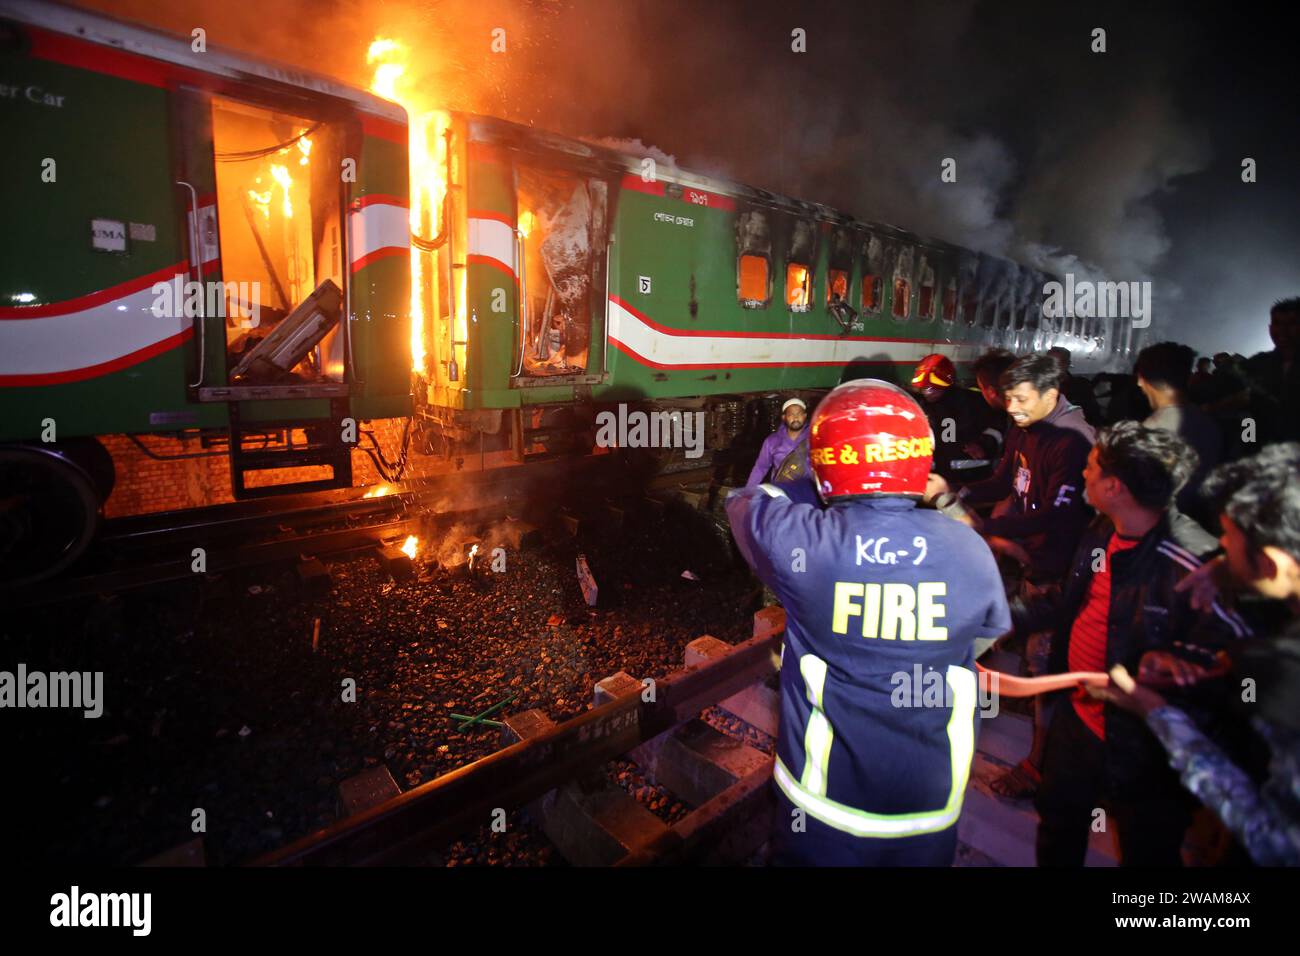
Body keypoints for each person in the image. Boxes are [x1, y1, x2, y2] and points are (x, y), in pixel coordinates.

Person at [726, 380, 1011, 865]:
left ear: (827, 464)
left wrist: (817, 483)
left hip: (823, 811)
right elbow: (985, 637)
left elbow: (745, 503)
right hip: (930, 813)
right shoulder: (969, 549)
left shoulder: (811, 546)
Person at [1010, 422, 1248, 865]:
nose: (1082, 474)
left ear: (1114, 486)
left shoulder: (1194, 565)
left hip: (1145, 746)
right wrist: (999, 619)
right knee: (1059, 821)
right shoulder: (1103, 527)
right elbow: (1069, 599)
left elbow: (1232, 677)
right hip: (1079, 716)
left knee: (1146, 849)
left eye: (1091, 467)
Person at [1096, 443, 1300, 866]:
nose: (1218, 545)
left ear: (1273, 564)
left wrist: (1158, 715)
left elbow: (1275, 841)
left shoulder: (1286, 680)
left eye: (1227, 536)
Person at [926, 354, 1096, 798]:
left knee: (1046, 667)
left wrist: (988, 531)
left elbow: (1059, 521)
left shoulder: (1071, 442)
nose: (1009, 409)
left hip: (1060, 571)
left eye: (1019, 400)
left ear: (1050, 395)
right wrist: (956, 490)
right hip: (1032, 562)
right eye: (1006, 399)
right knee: (1030, 654)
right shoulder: (1025, 426)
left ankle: (1041, 768)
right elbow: (1004, 482)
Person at [1134, 341, 1223, 523]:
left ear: (1143, 378)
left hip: (1165, 528)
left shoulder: (1154, 430)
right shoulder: (1206, 421)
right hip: (1200, 522)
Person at [909, 353, 995, 481]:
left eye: (934, 388)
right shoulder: (915, 404)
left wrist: (983, 444)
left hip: (970, 477)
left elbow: (997, 427)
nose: (928, 392)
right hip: (932, 478)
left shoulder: (971, 402)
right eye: (925, 388)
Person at [747, 397, 809, 487]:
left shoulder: (814, 438)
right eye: (791, 414)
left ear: (805, 416)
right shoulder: (772, 441)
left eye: (799, 414)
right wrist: (748, 491)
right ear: (784, 417)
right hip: (782, 492)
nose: (795, 418)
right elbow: (760, 467)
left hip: (808, 493)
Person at [1048, 346, 1102, 427]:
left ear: (1067, 364)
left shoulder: (1081, 386)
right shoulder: (1037, 386)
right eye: (1049, 363)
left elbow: (1093, 414)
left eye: (1058, 363)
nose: (1053, 367)